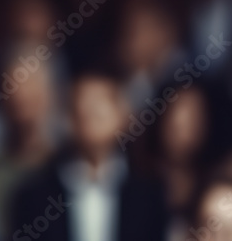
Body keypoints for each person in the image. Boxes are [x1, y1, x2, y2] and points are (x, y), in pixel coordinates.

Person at [10, 69, 167, 241]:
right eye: (83, 101)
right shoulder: (34, 194)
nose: (91, 110)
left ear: (124, 114)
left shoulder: (149, 192)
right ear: (69, 117)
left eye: (101, 102)